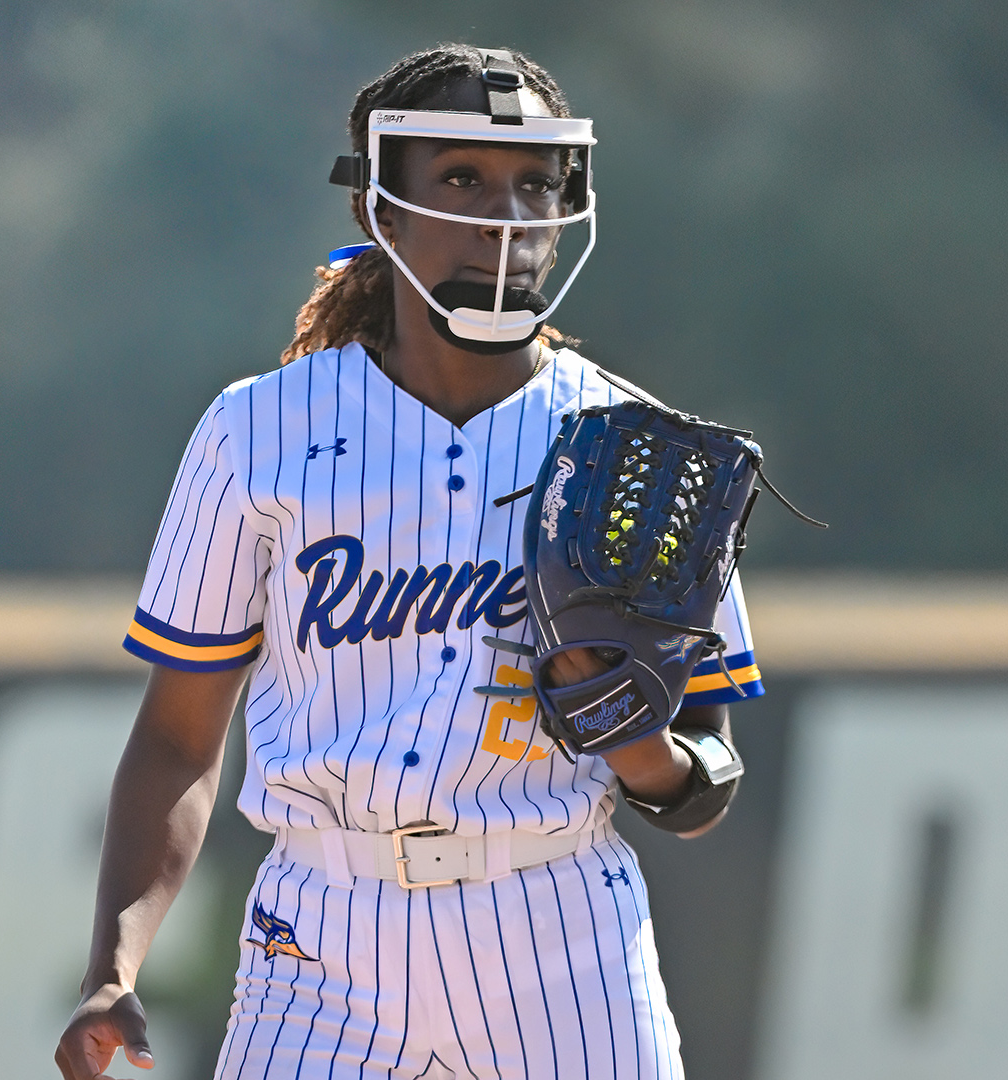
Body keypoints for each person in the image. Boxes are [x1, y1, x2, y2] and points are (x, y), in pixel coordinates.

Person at [55, 43, 763, 1080]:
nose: (504, 213)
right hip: (320, 938)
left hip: (559, 933)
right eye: (464, 178)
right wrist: (112, 966)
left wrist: (631, 736)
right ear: (377, 204)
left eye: (534, 184)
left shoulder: (632, 444)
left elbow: (704, 781)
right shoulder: (261, 431)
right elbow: (176, 738)